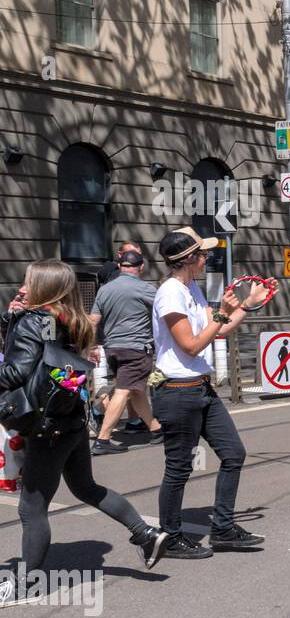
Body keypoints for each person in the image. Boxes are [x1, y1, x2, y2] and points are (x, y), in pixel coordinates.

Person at [0, 261, 168, 587]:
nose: (24, 286)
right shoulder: (69, 319)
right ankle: (145, 533)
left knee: (31, 508)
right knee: (86, 487)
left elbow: (17, 372)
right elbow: (45, 355)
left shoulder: (34, 321)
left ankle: (25, 583)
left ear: (43, 287)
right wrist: (12, 321)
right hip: (71, 417)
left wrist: (17, 324)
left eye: (29, 281)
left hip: (46, 424)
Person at [151, 228, 270, 559]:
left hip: (200, 389)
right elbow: (190, 345)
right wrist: (219, 315)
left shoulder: (192, 289)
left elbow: (219, 329)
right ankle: (171, 537)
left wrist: (247, 304)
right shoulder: (170, 293)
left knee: (234, 453)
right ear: (190, 259)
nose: (207, 259)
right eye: (203, 255)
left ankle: (223, 528)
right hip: (177, 391)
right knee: (179, 467)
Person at [87, 248, 164, 455]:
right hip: (136, 348)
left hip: (112, 348)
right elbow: (166, 310)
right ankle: (103, 439)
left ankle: (156, 430)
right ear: (141, 267)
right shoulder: (145, 289)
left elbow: (93, 320)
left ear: (120, 267)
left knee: (135, 390)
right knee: (123, 391)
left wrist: (91, 346)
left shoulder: (104, 289)